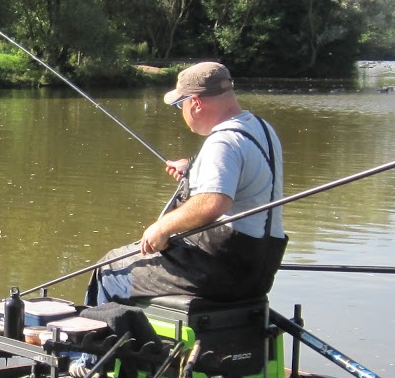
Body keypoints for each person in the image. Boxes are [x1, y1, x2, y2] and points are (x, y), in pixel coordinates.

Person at [88, 61, 286, 305]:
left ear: (196, 104)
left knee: (110, 269)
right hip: (257, 270)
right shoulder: (260, 128)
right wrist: (194, 169)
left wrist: (162, 227)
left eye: (180, 105)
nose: (181, 111)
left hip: (218, 271)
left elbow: (213, 203)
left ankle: (98, 340)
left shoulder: (222, 143)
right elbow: (247, 177)